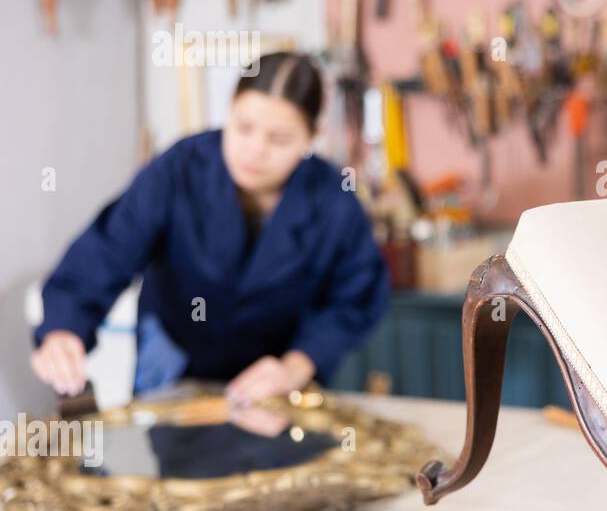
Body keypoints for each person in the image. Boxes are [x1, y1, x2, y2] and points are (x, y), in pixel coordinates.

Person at [31, 52, 390, 407]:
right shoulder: (178, 170)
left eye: (279, 140)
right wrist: (65, 329)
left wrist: (297, 366)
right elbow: (105, 252)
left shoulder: (334, 200)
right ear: (229, 110)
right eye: (243, 127)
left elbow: (354, 298)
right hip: (173, 359)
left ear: (313, 136)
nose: (255, 150)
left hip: (273, 377)